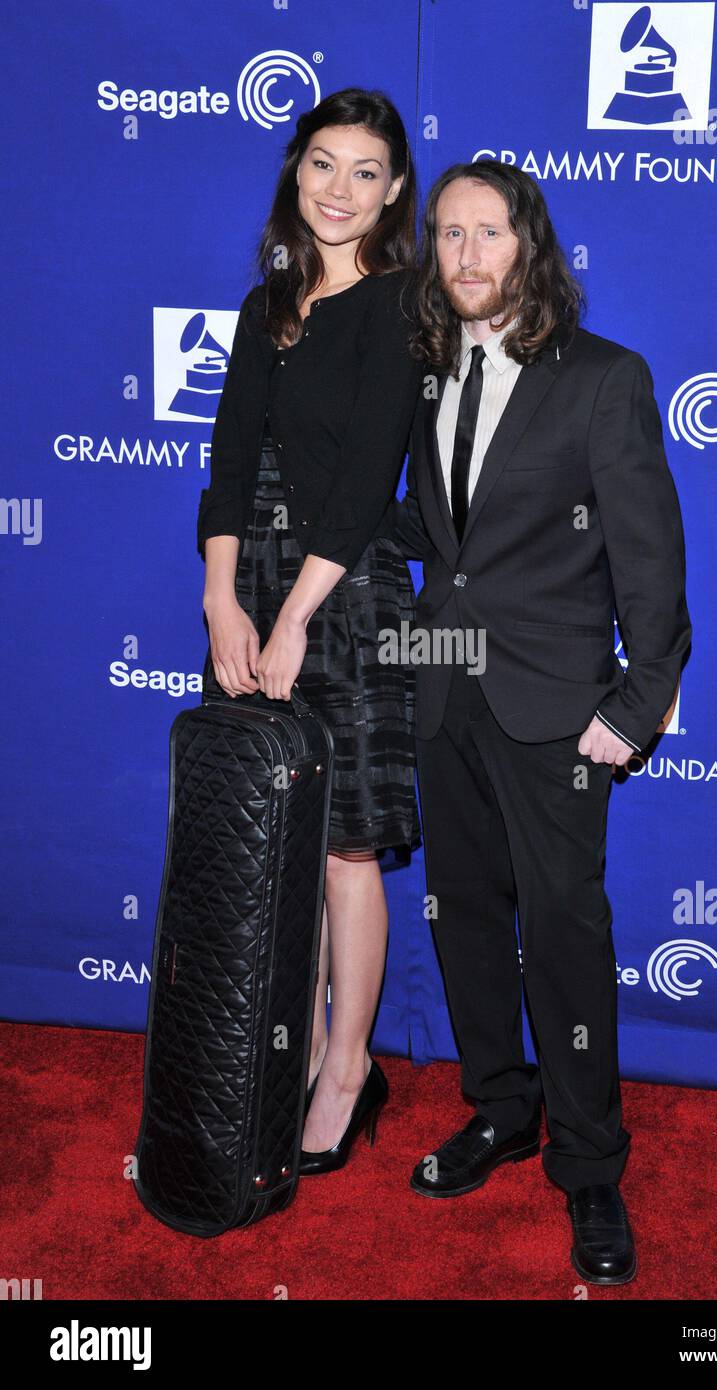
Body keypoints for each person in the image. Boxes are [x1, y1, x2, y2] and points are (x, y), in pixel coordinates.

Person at [385, 160, 692, 1283]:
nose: (467, 257)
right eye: (449, 236)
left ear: (530, 246)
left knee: (564, 931)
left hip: (559, 707)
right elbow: (431, 532)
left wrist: (636, 698)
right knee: (464, 911)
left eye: (490, 235)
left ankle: (591, 1165)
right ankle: (500, 1106)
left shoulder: (604, 378)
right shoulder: (421, 373)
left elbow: (650, 558)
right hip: (444, 684)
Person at [197, 89, 425, 1173]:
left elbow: (369, 480)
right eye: (322, 164)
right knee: (271, 842)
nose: (339, 189)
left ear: (392, 192)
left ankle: (348, 1068)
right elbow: (231, 458)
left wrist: (291, 620)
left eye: (365, 171)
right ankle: (286, 1044)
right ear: (297, 174)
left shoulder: (398, 306)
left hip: (345, 590)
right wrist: (221, 598)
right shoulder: (268, 303)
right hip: (260, 589)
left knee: (343, 849)